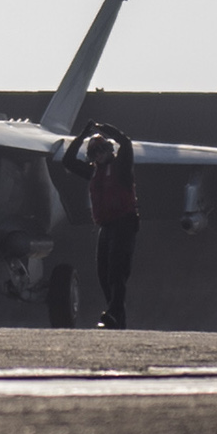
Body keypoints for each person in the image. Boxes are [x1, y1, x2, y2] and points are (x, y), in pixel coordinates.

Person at [62, 121, 139, 328]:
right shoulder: (94, 172)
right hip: (106, 226)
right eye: (94, 153)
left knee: (116, 271)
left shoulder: (121, 166)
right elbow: (68, 161)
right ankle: (116, 317)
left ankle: (114, 313)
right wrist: (81, 137)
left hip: (124, 224)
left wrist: (104, 128)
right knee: (103, 273)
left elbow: (126, 143)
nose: (98, 156)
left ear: (108, 150)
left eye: (101, 151)